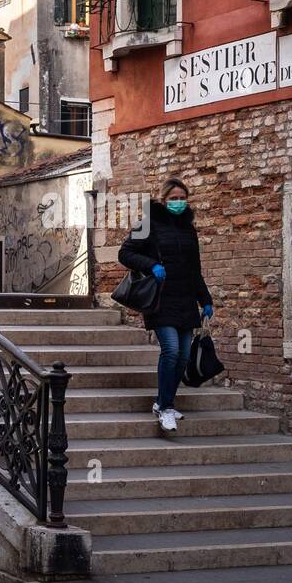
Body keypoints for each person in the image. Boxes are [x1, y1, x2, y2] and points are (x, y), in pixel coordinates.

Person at [118, 178, 214, 433]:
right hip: (160, 299)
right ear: (163, 200)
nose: (178, 202)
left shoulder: (189, 229)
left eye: (182, 197)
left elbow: (196, 270)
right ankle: (166, 407)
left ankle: (162, 402)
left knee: (183, 356)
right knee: (170, 350)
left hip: (185, 299)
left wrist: (205, 300)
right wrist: (152, 265)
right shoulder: (147, 223)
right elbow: (125, 253)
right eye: (173, 198)